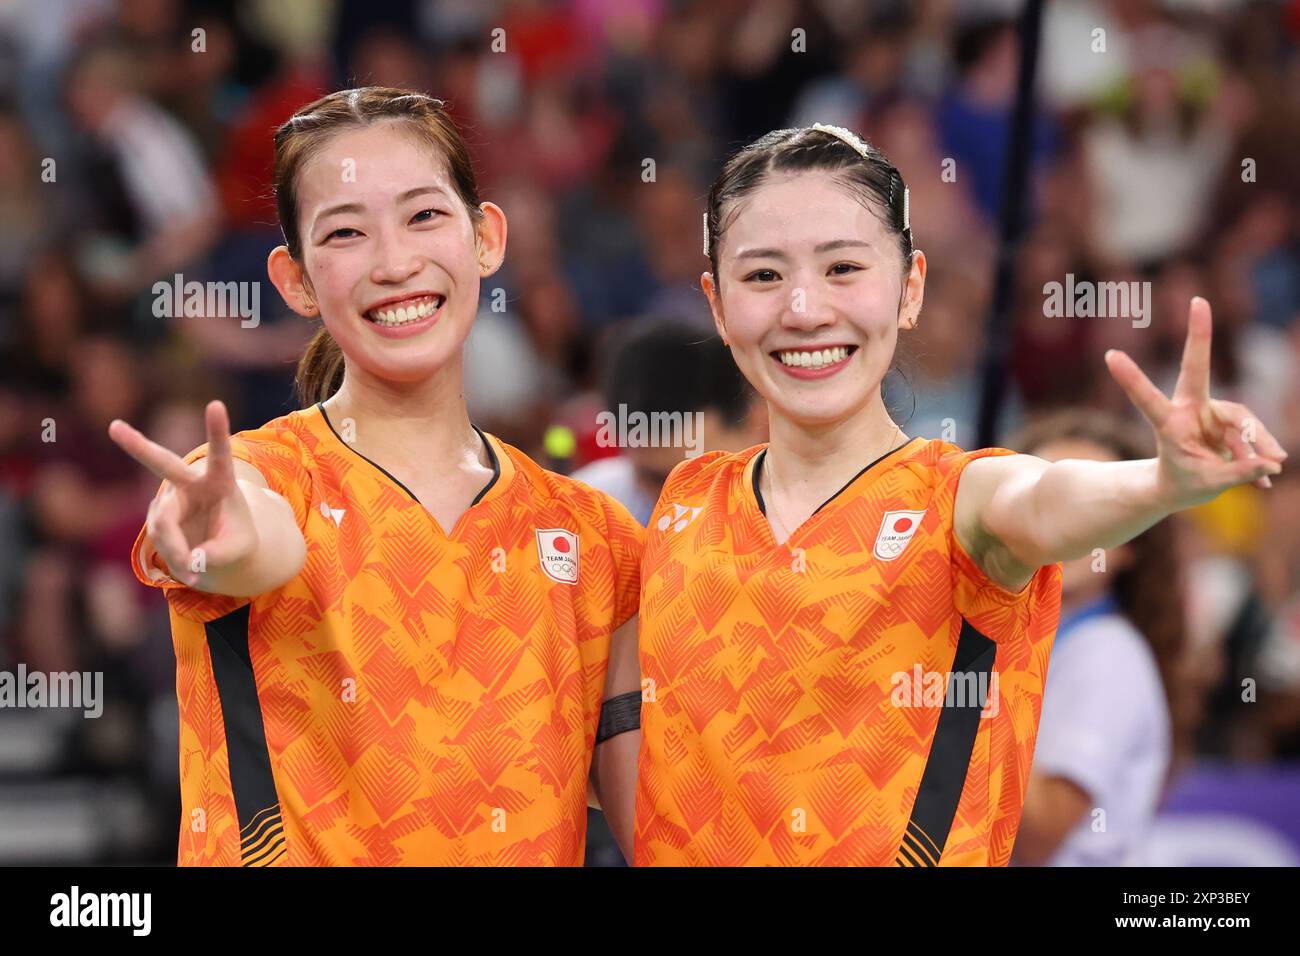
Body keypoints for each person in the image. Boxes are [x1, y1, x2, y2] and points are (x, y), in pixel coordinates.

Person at [627, 123, 1285, 866]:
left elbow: (1047, 498)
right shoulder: (682, 501)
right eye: (763, 276)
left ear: (909, 289)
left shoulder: (965, 497)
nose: (804, 309)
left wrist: (1161, 482)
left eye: (843, 267)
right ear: (716, 305)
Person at [108, 88, 643, 866]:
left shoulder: (595, 538)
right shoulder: (253, 480)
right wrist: (217, 537)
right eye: (347, 233)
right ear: (293, 281)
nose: (395, 264)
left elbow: (658, 829)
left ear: (486, 238)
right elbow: (259, 545)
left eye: (424, 216)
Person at [1010, 410, 1183, 866]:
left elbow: (1035, 839)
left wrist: (956, 689)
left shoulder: (1107, 653)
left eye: (1089, 506)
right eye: (1042, 501)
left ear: (1131, 544)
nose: (1065, 528)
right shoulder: (1030, 644)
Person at [571, 318, 766, 526]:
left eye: (697, 480)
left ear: (758, 419)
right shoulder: (584, 511)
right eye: (658, 482)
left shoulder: (791, 519)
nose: (676, 505)